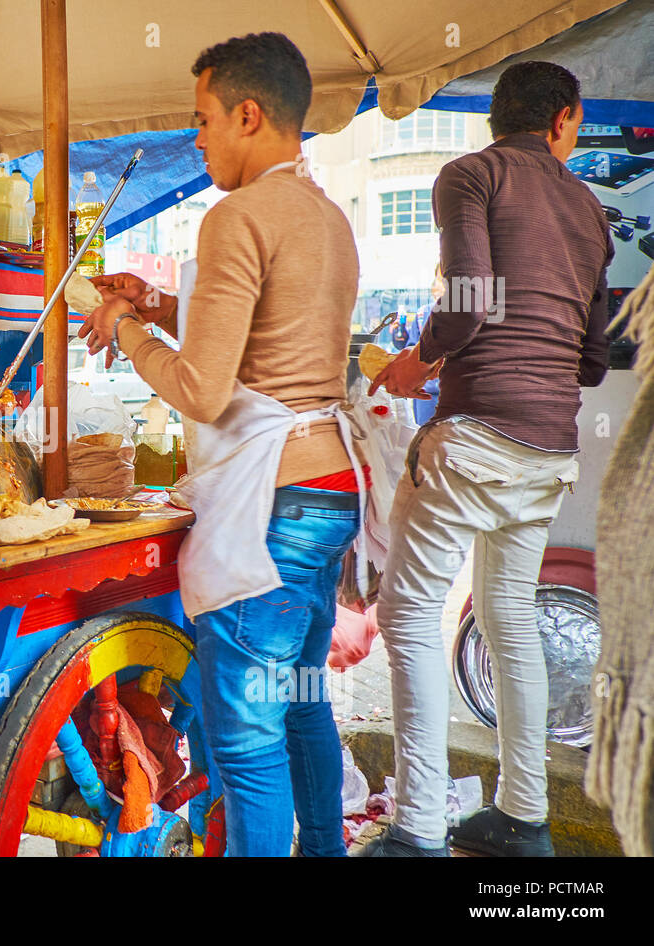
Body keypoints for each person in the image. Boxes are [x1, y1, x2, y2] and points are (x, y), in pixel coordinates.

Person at [81, 32, 362, 857]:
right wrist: (163, 306)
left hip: (273, 505)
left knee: (245, 741)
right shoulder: (326, 217)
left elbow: (202, 388)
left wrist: (123, 326)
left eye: (203, 120)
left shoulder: (237, 215)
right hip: (331, 489)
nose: (195, 139)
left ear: (248, 114)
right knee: (303, 703)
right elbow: (275, 333)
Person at [360, 61, 613, 857]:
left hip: (478, 438)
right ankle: (522, 818)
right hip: (550, 451)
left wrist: (417, 363)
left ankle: (417, 827)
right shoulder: (589, 209)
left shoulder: (472, 173)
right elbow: (595, 361)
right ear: (564, 122)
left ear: (497, 120)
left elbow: (467, 298)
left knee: (407, 615)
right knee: (508, 620)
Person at [389, 264, 445, 425]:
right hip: (427, 394)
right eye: (439, 280)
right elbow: (412, 349)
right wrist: (398, 338)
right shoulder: (423, 313)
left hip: (457, 392)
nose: (439, 285)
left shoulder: (469, 314)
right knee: (427, 438)